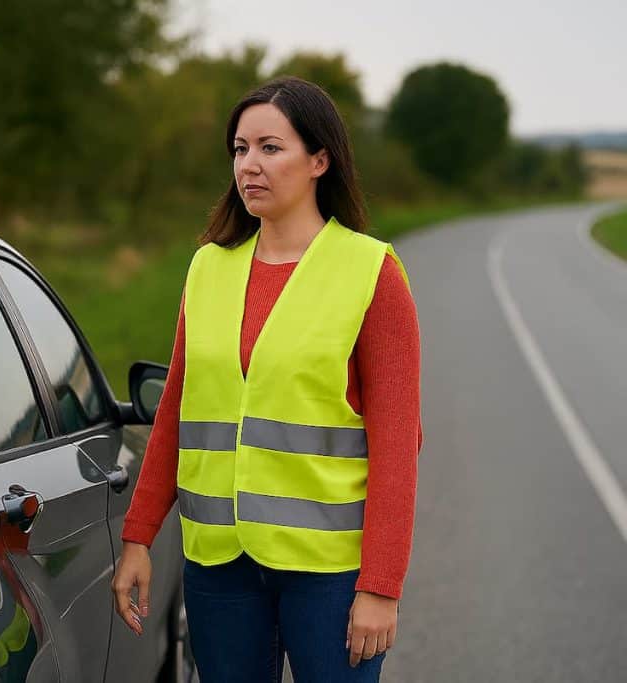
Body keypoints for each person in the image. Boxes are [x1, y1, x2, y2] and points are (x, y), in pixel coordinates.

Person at [111, 77, 422, 682]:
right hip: (219, 564)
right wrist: (138, 536)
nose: (249, 165)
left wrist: (382, 586)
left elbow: (397, 448)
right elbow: (175, 408)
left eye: (270, 148)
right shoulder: (209, 267)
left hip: (329, 573)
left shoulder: (370, 272)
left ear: (319, 161)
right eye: (239, 148)